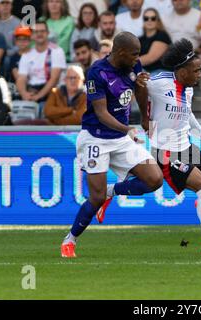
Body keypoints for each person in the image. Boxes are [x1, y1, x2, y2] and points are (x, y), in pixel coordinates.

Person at [60, 32, 163, 258]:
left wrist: (145, 119)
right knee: (95, 198)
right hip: (95, 138)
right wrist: (128, 129)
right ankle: (70, 240)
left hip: (120, 139)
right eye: (135, 54)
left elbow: (139, 88)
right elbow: (101, 113)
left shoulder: (133, 63)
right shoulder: (97, 72)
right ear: (121, 52)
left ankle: (112, 191)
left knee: (155, 179)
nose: (138, 58)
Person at [147, 38, 201, 256]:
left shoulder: (189, 88)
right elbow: (134, 88)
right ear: (182, 71)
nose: (200, 74)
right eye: (197, 71)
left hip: (187, 147)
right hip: (165, 152)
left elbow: (188, 115)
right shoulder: (157, 83)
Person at [16, 21, 66, 109]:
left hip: (51, 93)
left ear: (48, 33)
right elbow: (21, 78)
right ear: (32, 35)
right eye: (36, 32)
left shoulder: (57, 51)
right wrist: (24, 94)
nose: (39, 34)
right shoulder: (26, 54)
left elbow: (54, 79)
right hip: (31, 91)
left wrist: (38, 96)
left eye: (42, 31)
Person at [139, 8, 171, 74]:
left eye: (153, 18)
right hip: (145, 71)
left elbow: (150, 58)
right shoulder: (140, 39)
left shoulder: (162, 36)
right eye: (146, 18)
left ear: (157, 21)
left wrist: (128, 63)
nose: (149, 20)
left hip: (161, 72)